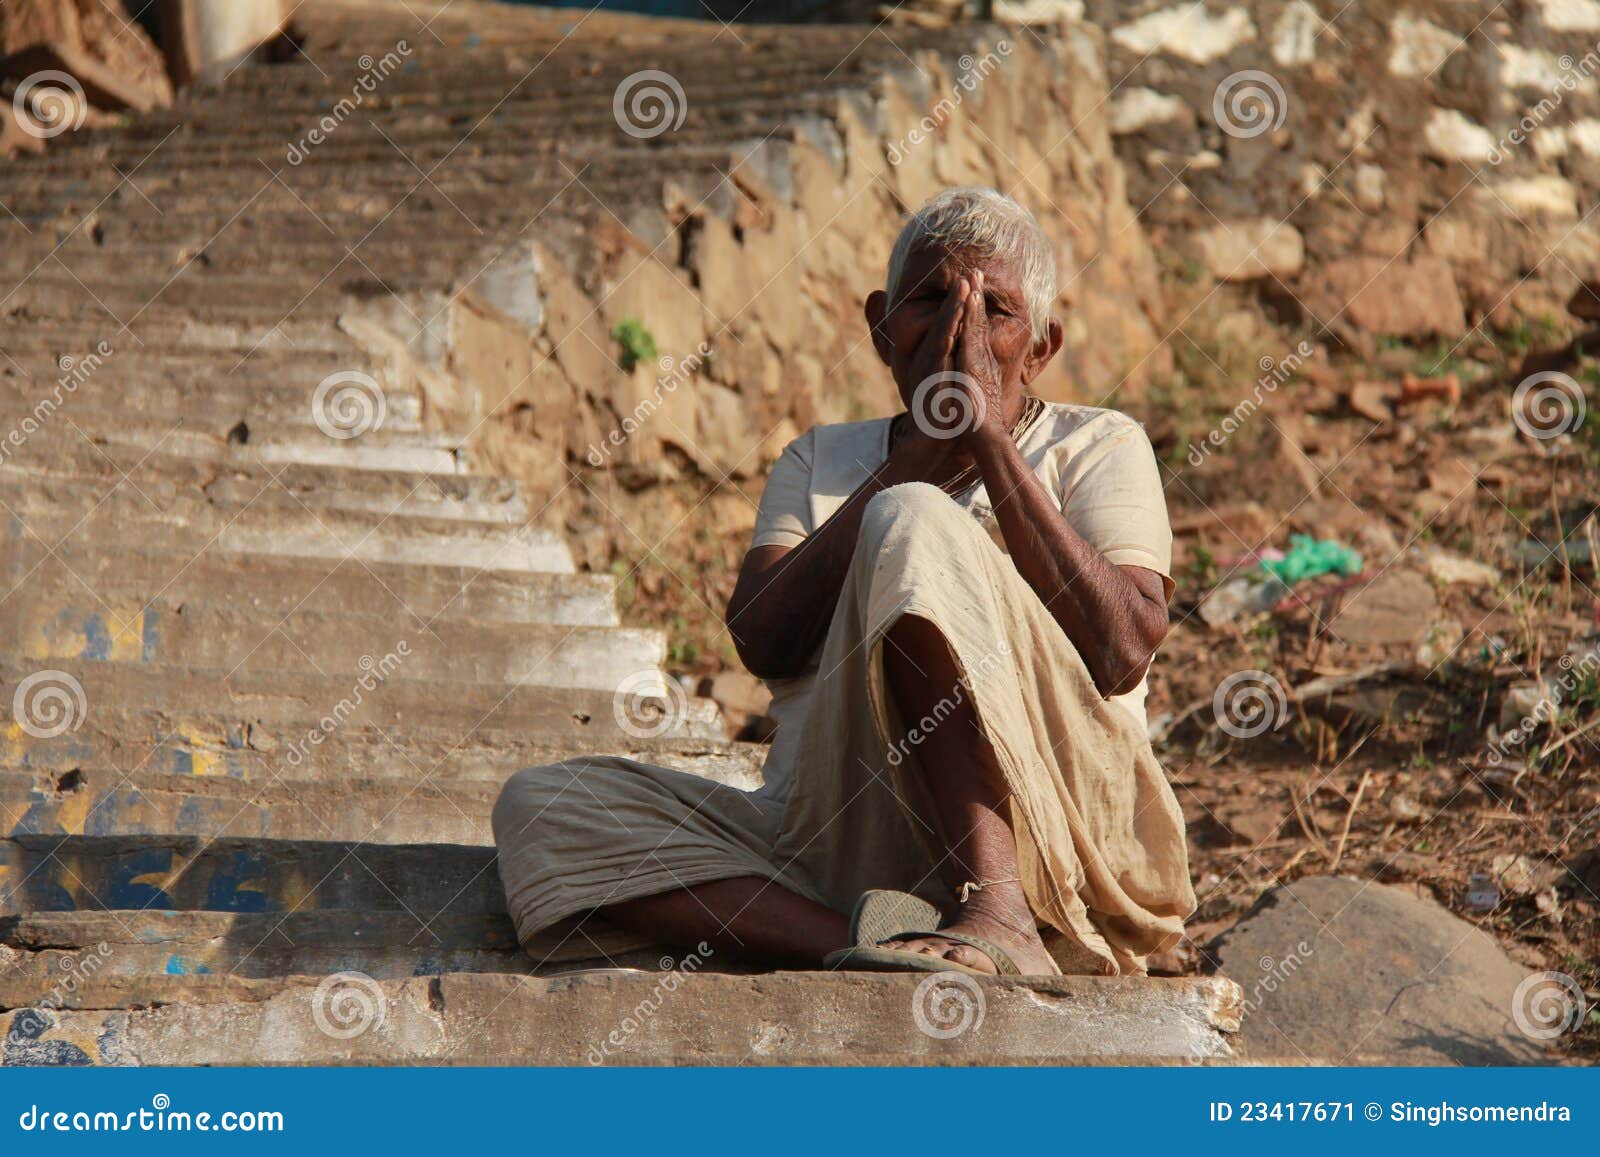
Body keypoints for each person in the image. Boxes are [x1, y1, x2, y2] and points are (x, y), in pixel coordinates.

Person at [493, 186, 1194, 976]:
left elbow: (1125, 645)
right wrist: (918, 457)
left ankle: (1000, 906)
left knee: (914, 521)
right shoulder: (818, 459)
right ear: (880, 327)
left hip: (1058, 827)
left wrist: (989, 445)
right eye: (929, 300)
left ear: (1040, 348)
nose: (956, 331)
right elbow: (763, 638)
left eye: (993, 309)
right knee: (540, 807)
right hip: (843, 836)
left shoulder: (1099, 444)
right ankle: (864, 937)